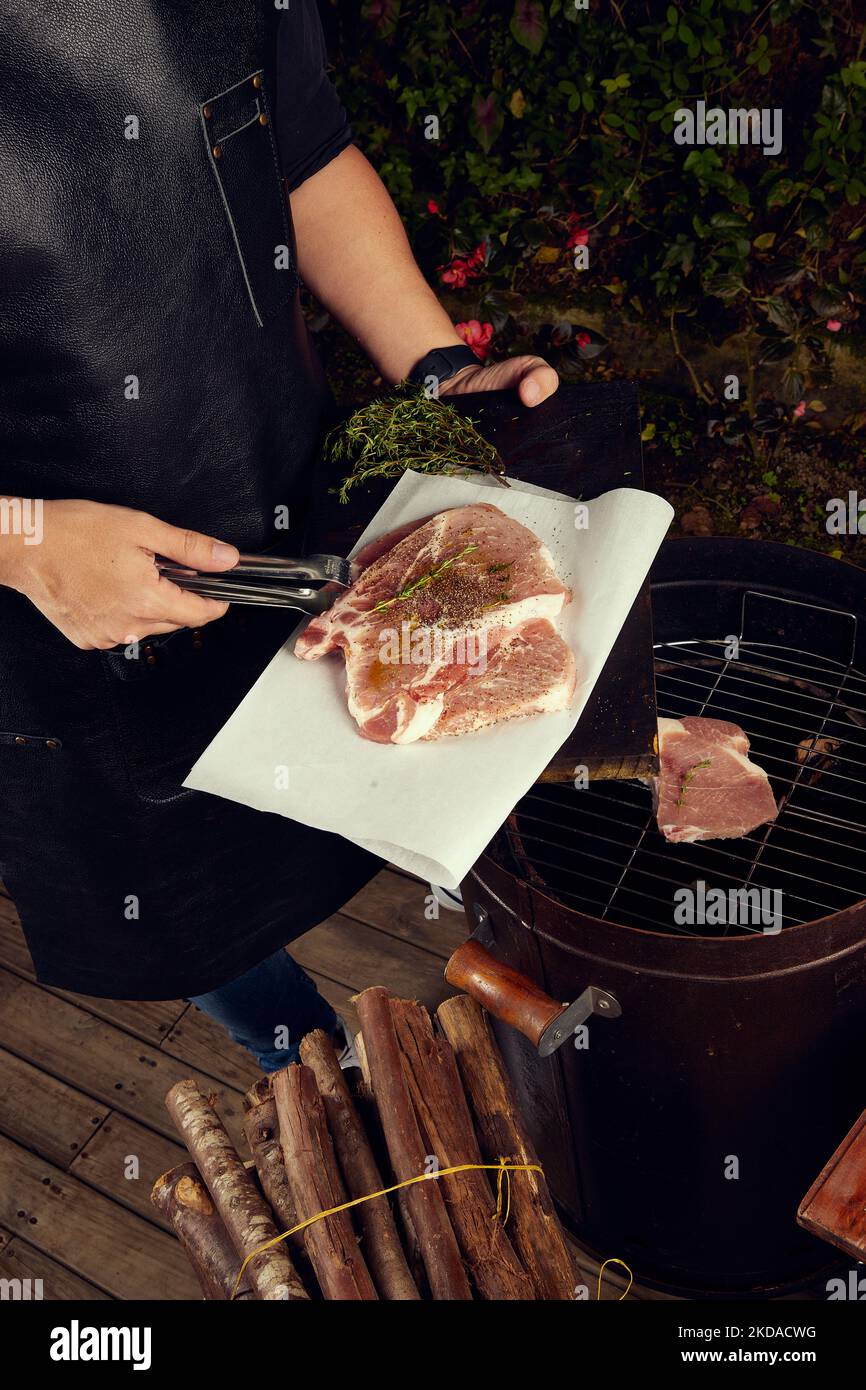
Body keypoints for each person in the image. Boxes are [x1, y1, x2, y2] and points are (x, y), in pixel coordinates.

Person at [0, 1, 557, 1071]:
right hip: (55, 615)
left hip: (286, 497)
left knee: (380, 791)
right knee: (194, 900)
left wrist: (438, 372)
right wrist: (23, 543)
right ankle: (314, 1063)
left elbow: (294, 148)